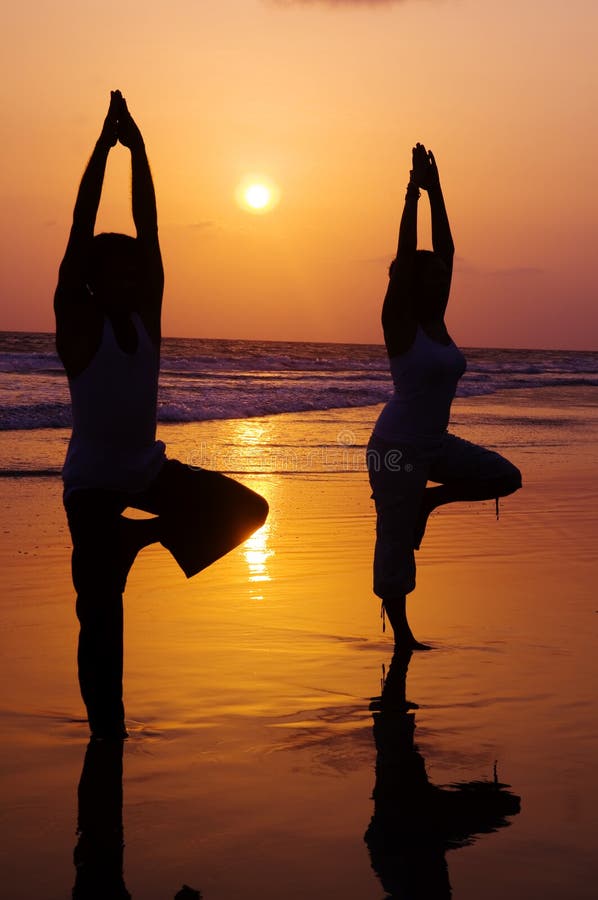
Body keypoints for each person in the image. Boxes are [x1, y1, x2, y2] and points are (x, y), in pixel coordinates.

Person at [55, 91, 268, 740]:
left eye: (132, 274)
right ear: (92, 282)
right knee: (101, 618)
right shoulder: (79, 324)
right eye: (114, 274)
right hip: (93, 486)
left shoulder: (147, 318)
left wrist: (140, 150)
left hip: (148, 473)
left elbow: (149, 231)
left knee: (250, 510)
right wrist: (101, 151)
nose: (128, 281)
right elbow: (77, 230)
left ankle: (137, 540)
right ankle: (106, 730)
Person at [367, 143, 521, 650]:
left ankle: (431, 501)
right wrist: (410, 197)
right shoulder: (400, 321)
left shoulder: (437, 317)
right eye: (428, 278)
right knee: (395, 544)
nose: (440, 282)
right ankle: (403, 636)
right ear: (410, 282)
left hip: (433, 445)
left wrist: (438, 190)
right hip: (394, 448)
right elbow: (411, 255)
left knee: (506, 476)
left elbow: (447, 252)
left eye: (441, 280)